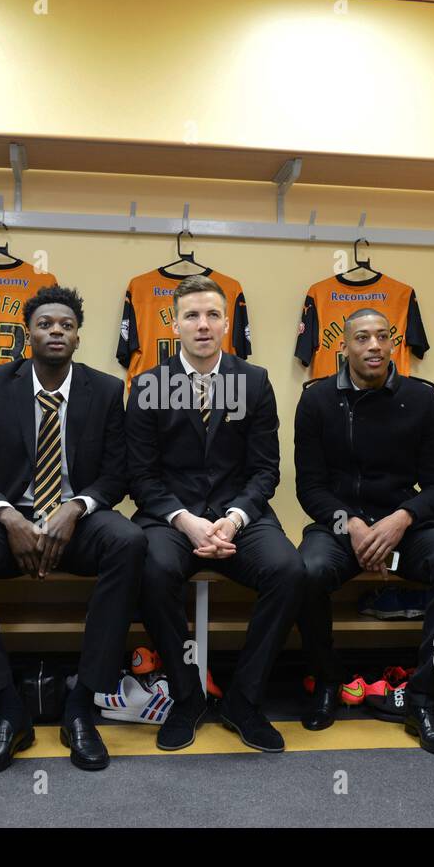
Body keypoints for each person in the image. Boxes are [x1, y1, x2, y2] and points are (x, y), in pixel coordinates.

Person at [0, 286, 144, 775]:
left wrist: (75, 508)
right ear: (28, 332)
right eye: (46, 323)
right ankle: (6, 709)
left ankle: (82, 706)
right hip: (14, 520)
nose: (56, 331)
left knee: (130, 542)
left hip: (78, 523)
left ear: (77, 335)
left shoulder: (108, 390)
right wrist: (9, 518)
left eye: (65, 325)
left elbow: (118, 472)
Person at [127, 275, 303, 753]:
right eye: (191, 315)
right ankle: (187, 697)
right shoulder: (147, 384)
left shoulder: (254, 381)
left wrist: (234, 518)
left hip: (239, 517)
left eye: (211, 315)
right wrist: (185, 520)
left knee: (289, 571)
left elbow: (266, 469)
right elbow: (140, 476)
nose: (202, 325)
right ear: (175, 323)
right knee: (151, 568)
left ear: (227, 323)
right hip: (171, 518)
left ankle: (243, 700)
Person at [294, 308, 434, 756]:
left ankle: (423, 698)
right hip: (339, 523)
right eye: (362, 338)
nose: (373, 346)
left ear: (393, 344)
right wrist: (349, 523)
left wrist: (402, 518)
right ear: (345, 348)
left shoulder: (422, 399)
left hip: (405, 522)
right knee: (306, 571)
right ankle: (328, 681)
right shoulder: (315, 400)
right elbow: (309, 487)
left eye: (382, 337)